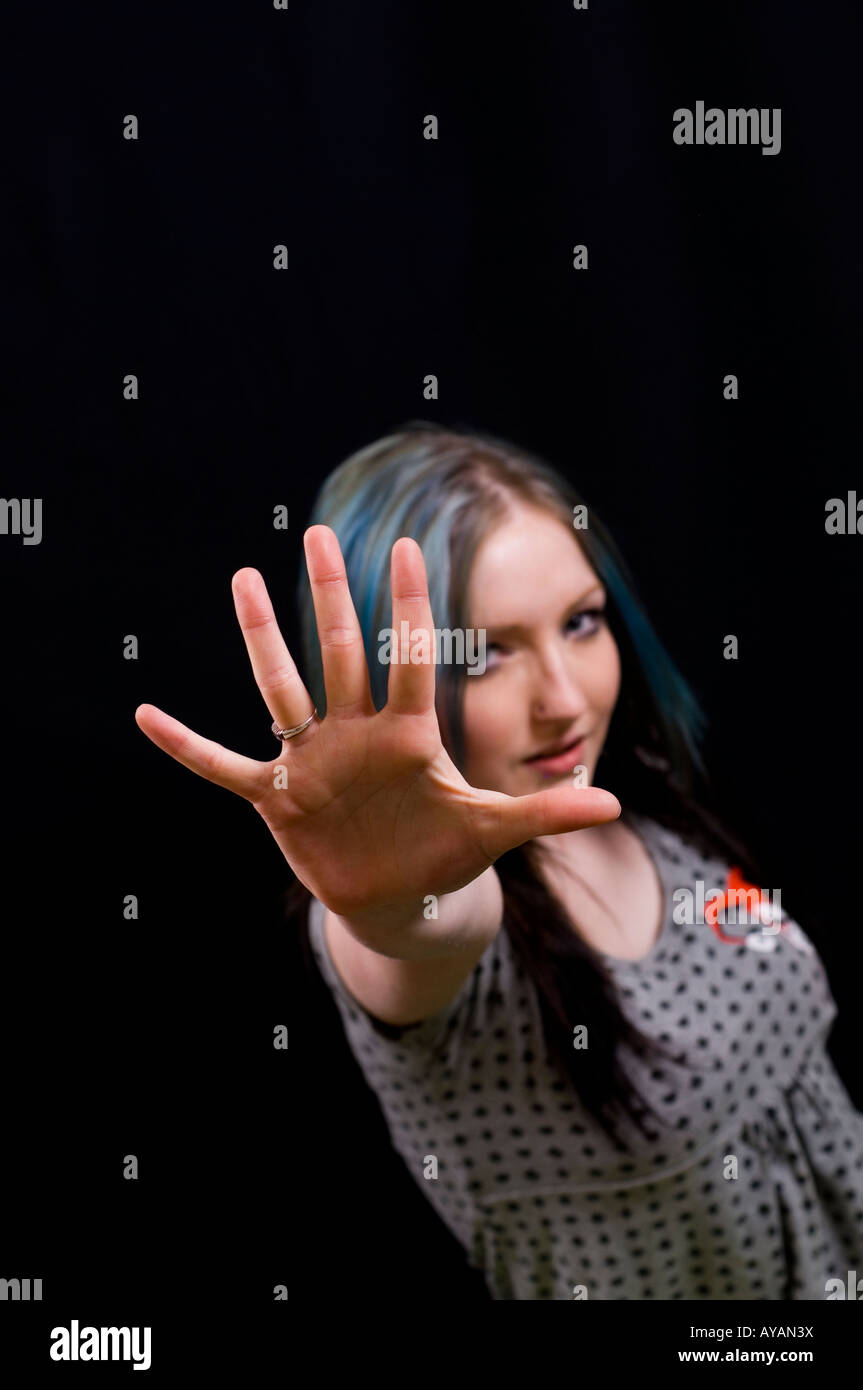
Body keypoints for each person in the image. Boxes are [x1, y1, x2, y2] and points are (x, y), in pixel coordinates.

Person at [135, 421, 863, 1301]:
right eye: (486, 653)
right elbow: (417, 928)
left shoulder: (644, 793)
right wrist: (392, 898)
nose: (564, 698)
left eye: (581, 623)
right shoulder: (451, 931)